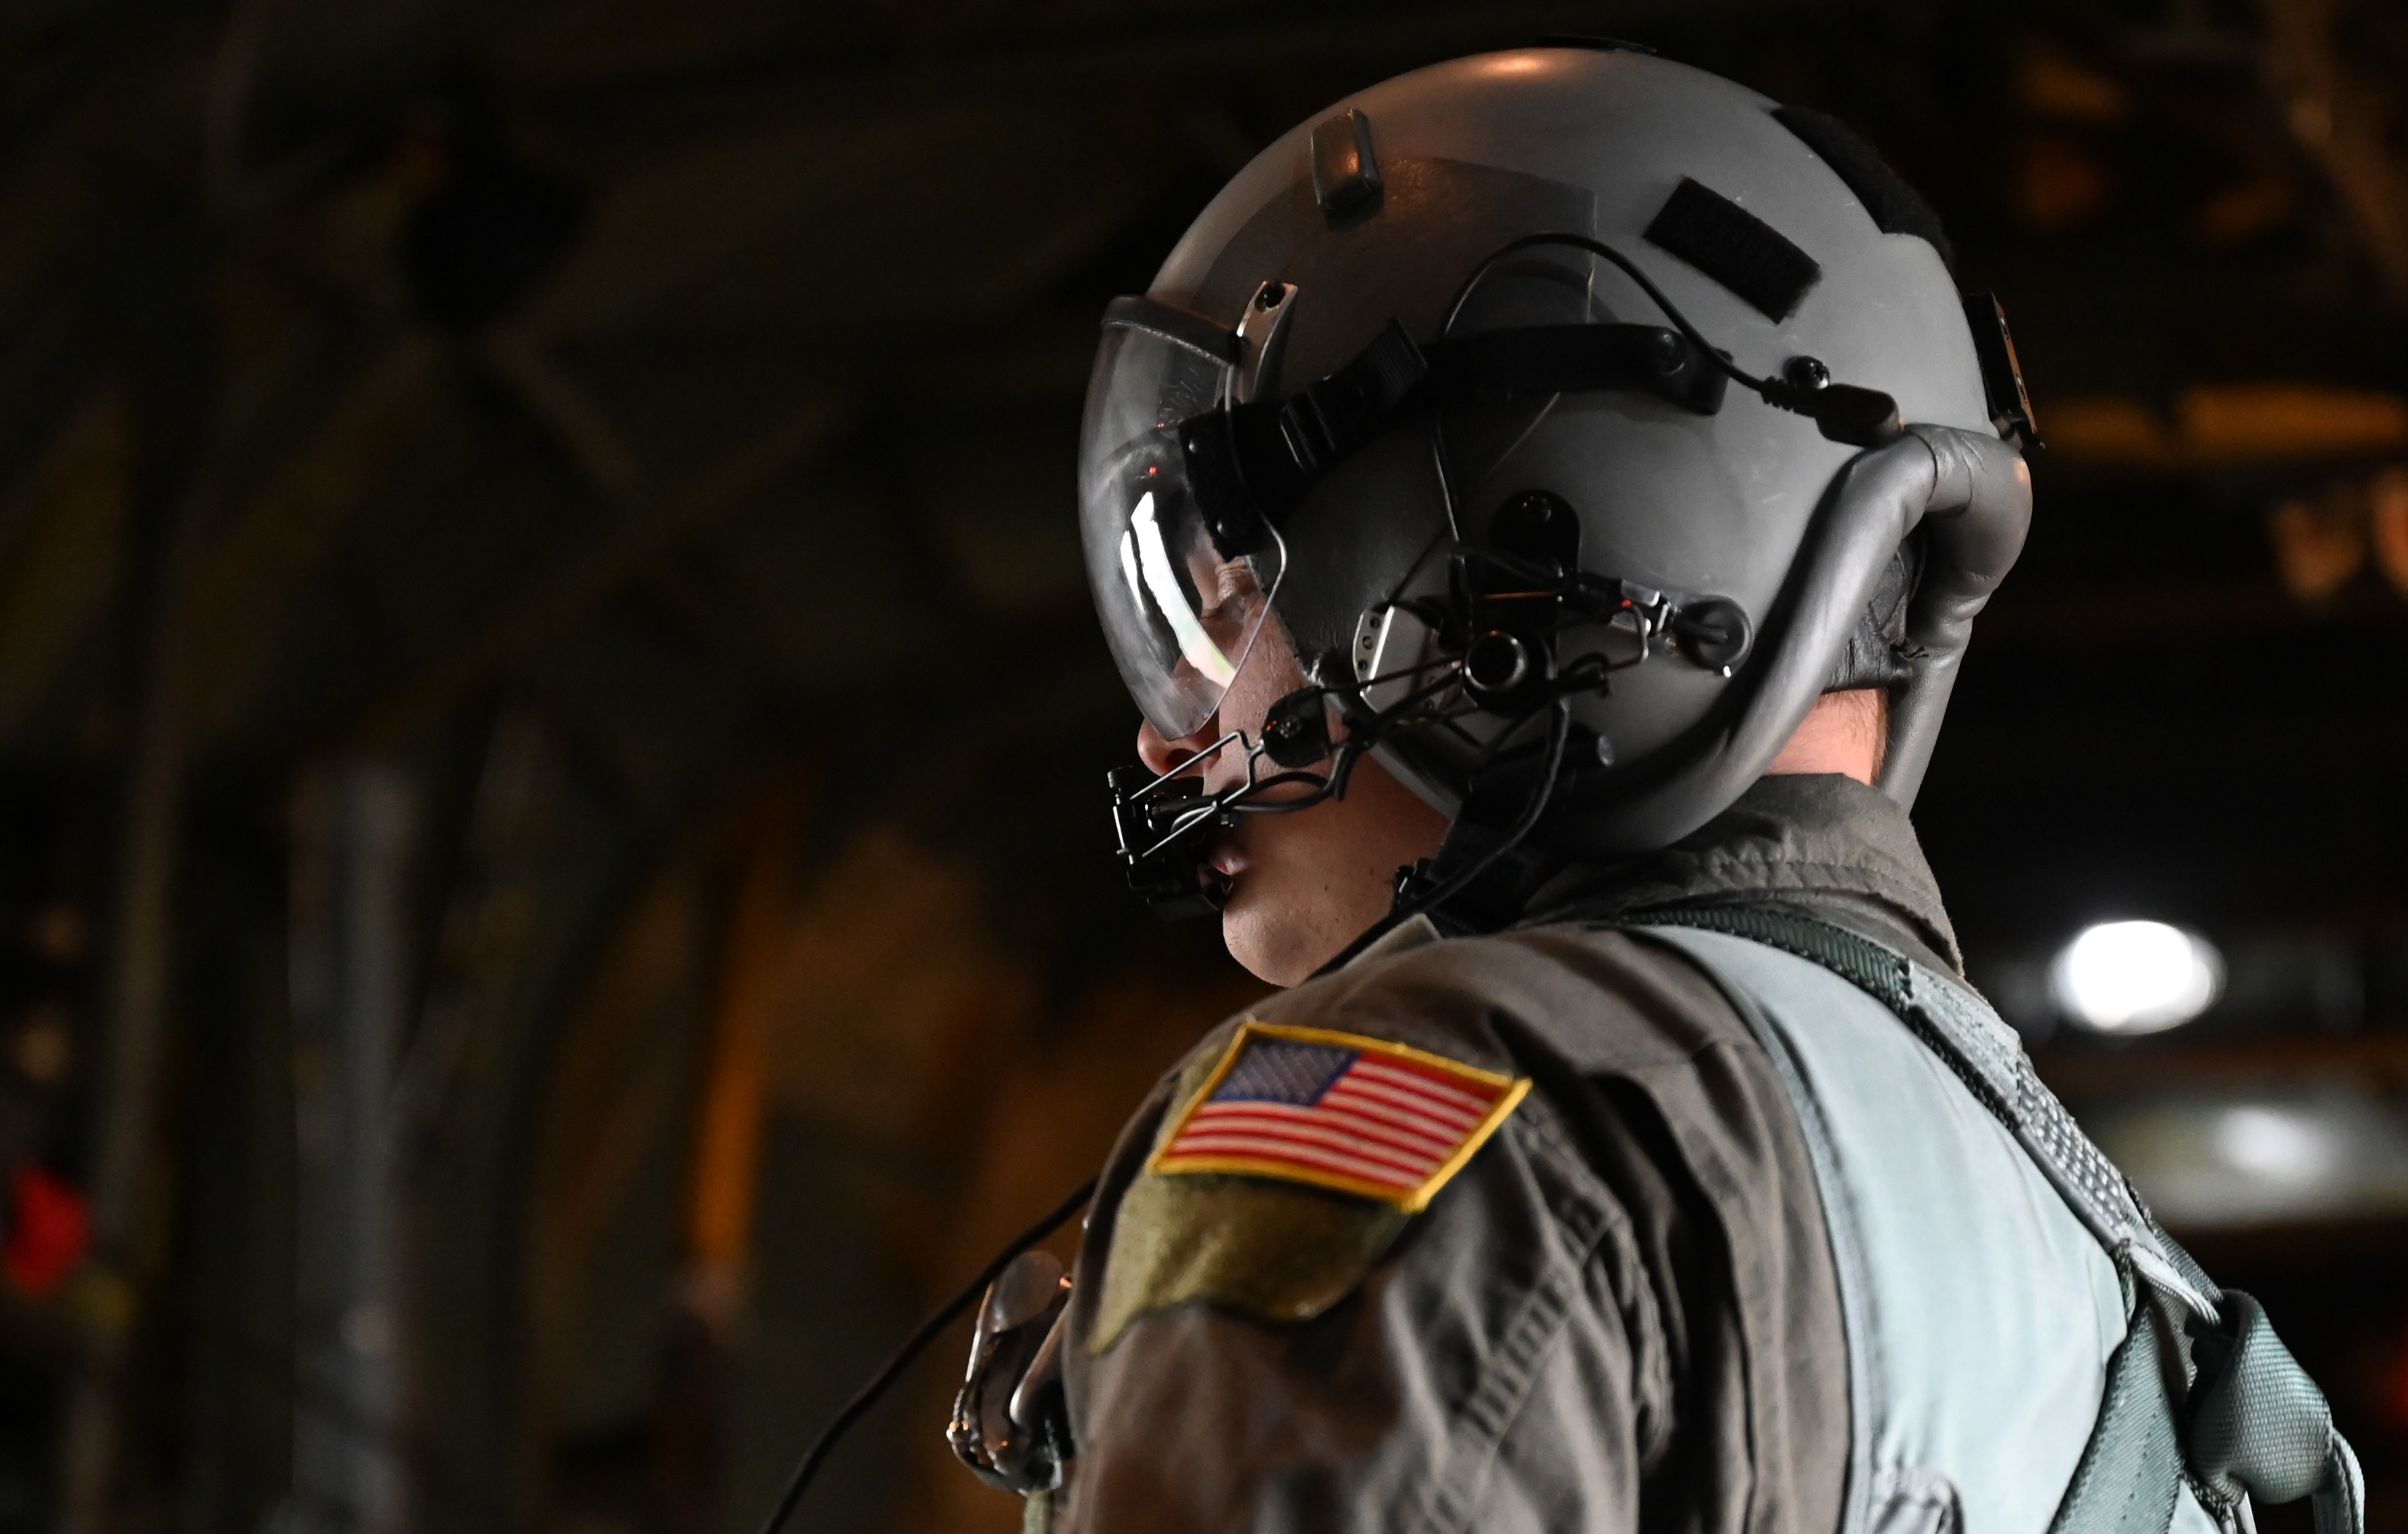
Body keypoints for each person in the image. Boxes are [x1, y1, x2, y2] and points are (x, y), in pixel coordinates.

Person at [948, 43, 2362, 1534]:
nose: (1169, 751)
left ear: (1504, 575)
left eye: (1225, 620)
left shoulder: (1418, 1119)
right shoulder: (2087, 1264)